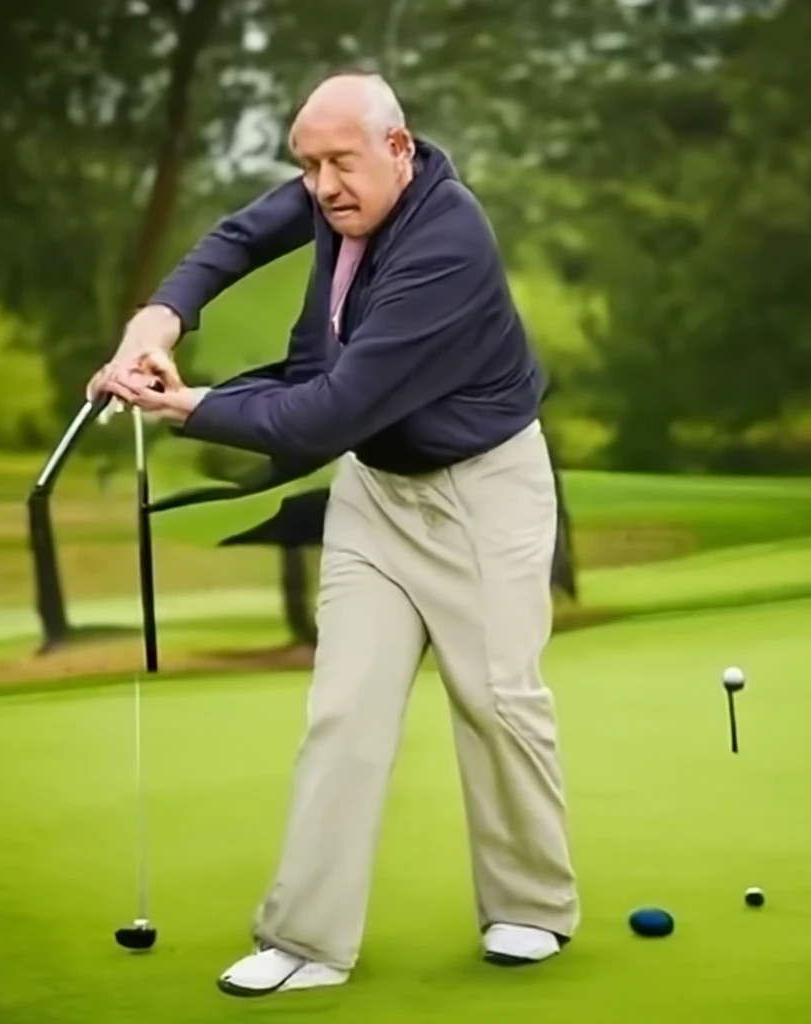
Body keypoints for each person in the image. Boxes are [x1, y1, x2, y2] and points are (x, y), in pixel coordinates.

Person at [93, 69, 580, 996]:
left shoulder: (447, 246)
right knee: (342, 714)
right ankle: (306, 939)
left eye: (338, 163)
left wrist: (187, 404)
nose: (321, 187)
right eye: (307, 165)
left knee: (499, 701)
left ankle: (532, 906)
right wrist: (153, 323)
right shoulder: (340, 197)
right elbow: (234, 241)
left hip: (483, 496)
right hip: (378, 495)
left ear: (398, 149)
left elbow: (324, 416)